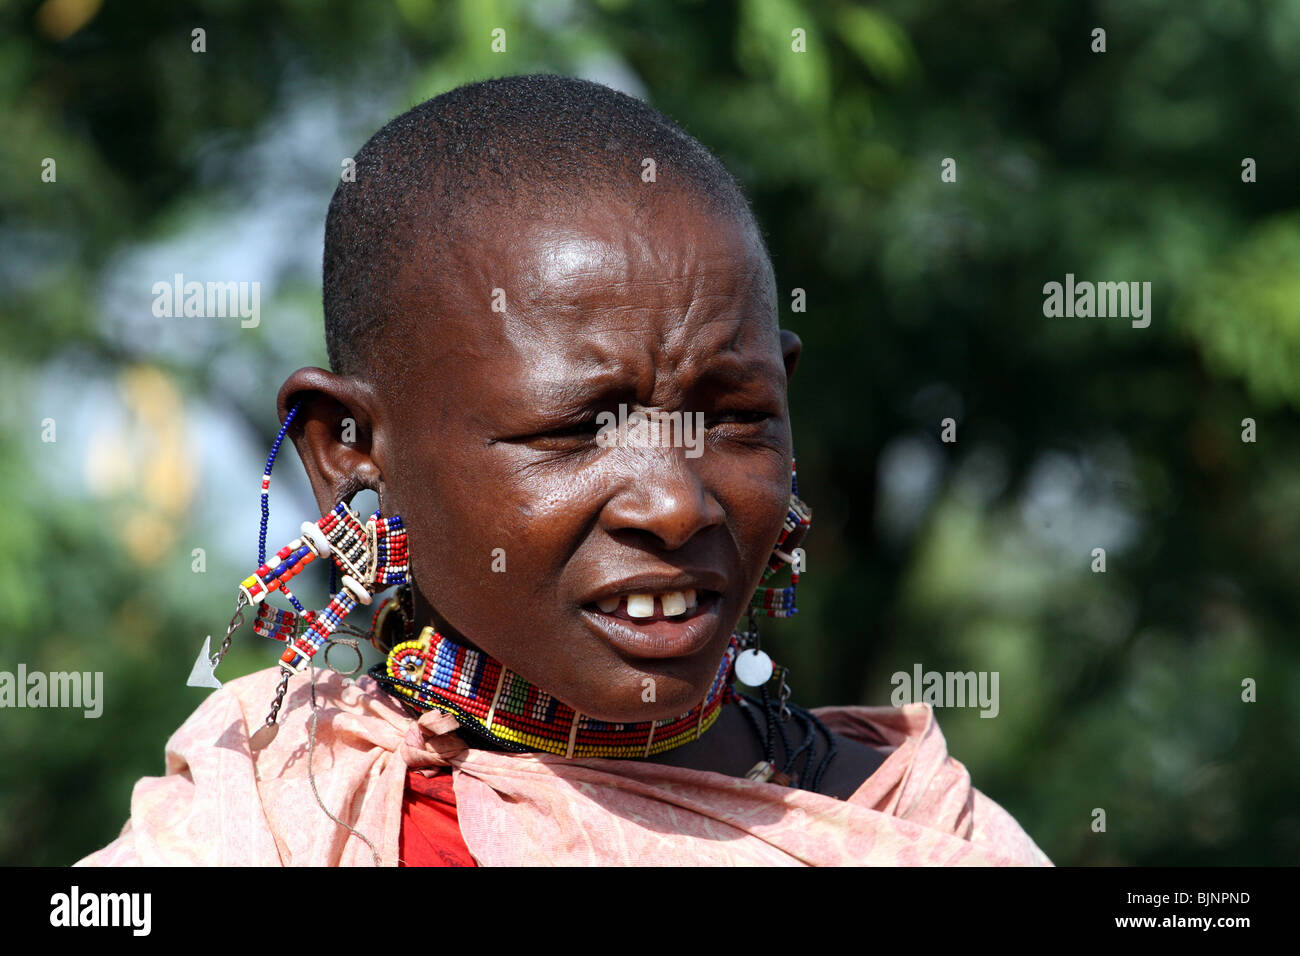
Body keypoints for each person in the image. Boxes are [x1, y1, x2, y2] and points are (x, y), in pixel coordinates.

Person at [77, 74, 1051, 867]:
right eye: (576, 429)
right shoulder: (278, 811)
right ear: (347, 447)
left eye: (735, 416)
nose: (675, 502)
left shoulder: (912, 827)